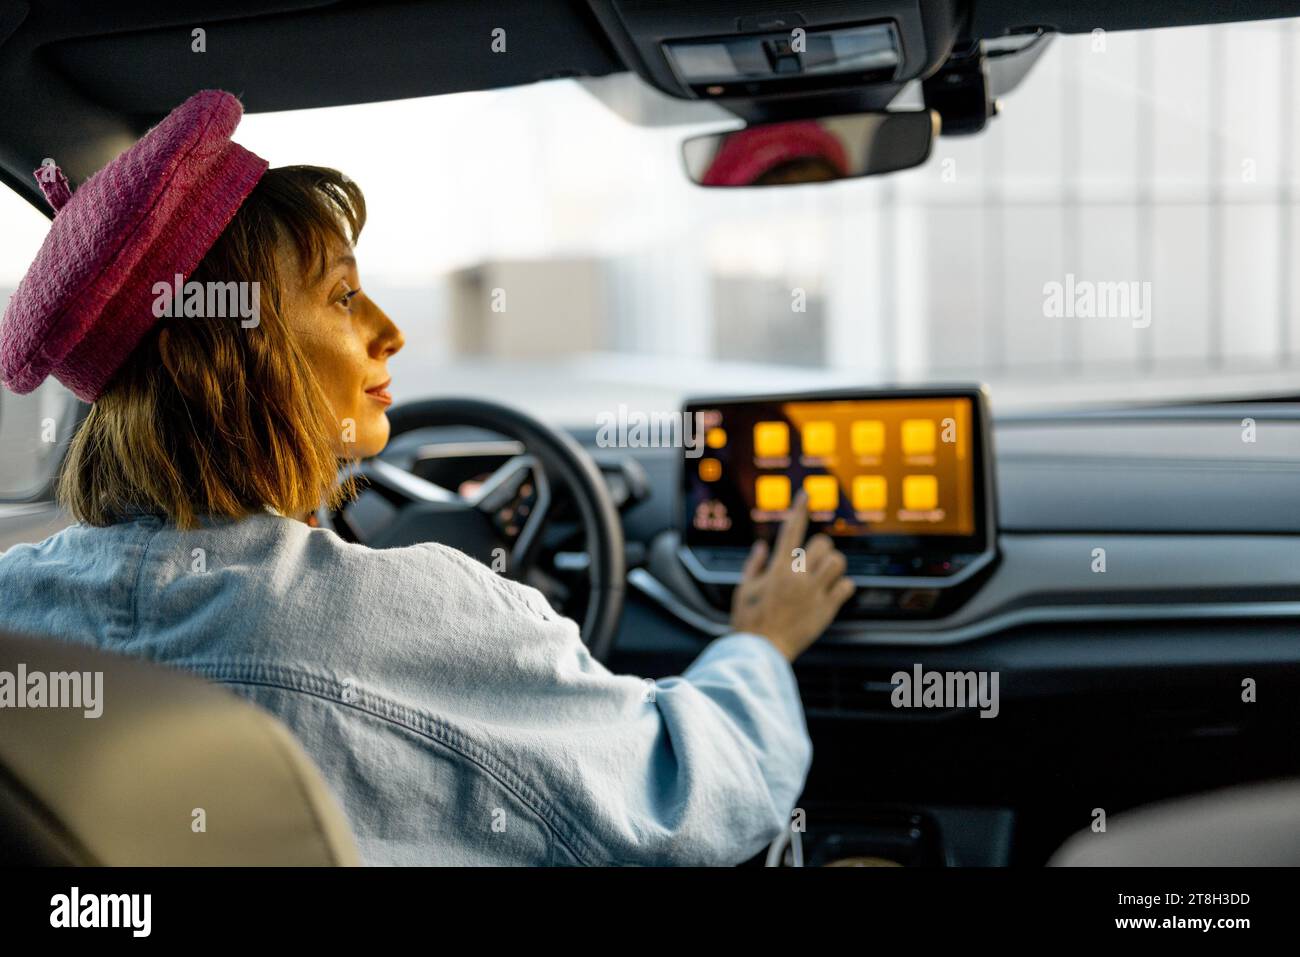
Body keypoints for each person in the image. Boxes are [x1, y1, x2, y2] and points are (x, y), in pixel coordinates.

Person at [0, 90, 854, 865]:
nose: (390, 331)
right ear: (239, 352)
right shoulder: (404, 615)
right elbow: (692, 801)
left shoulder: (17, 612)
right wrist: (762, 645)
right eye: (342, 297)